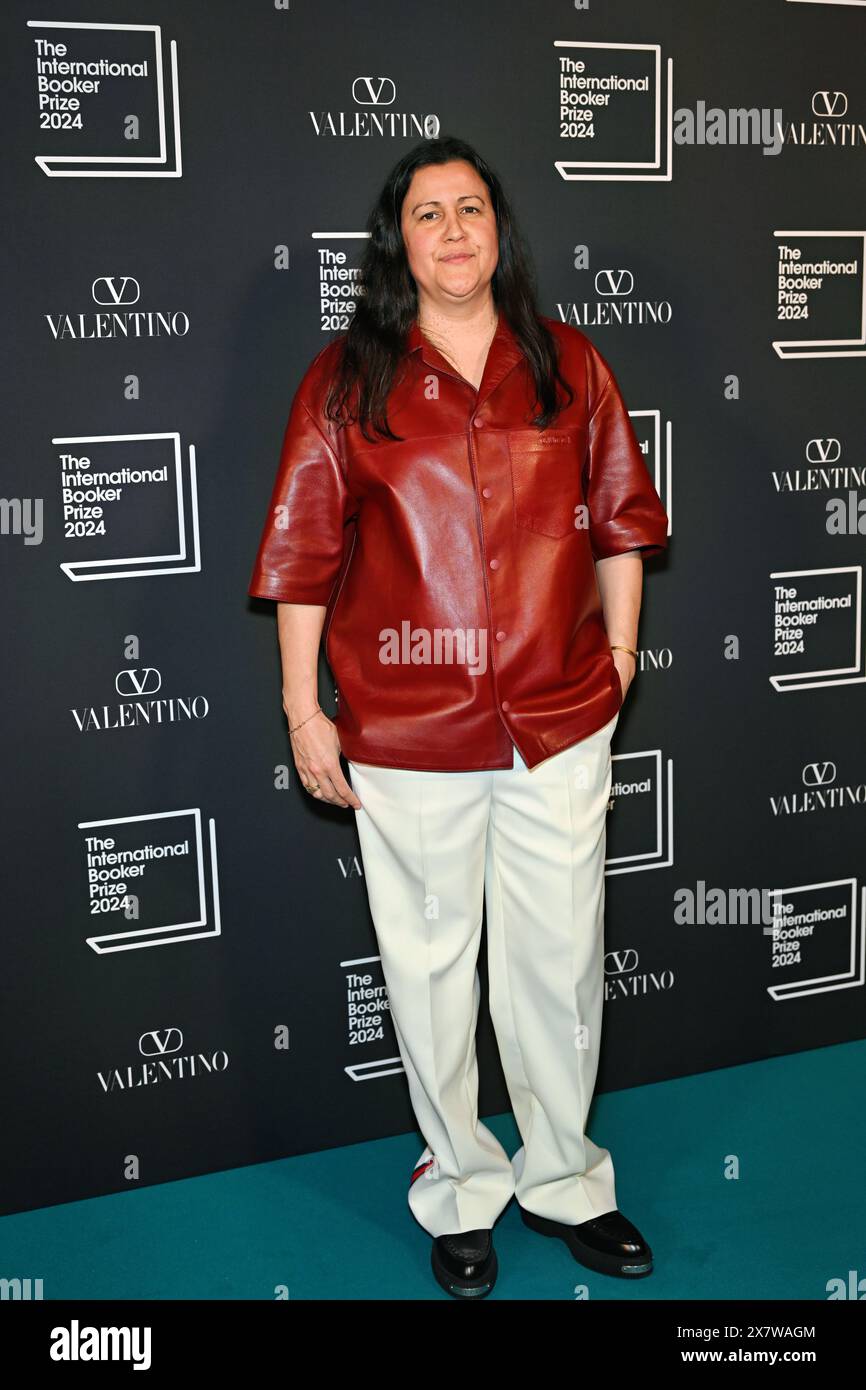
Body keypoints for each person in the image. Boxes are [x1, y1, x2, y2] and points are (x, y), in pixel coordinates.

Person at [248, 135, 669, 1299]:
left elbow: (622, 520)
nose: (451, 230)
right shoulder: (345, 381)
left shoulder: (568, 363)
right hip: (407, 731)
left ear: (498, 230)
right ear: (400, 243)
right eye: (426, 213)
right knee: (430, 970)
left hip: (556, 719)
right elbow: (300, 559)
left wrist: (620, 656)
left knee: (556, 964)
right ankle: (459, 1189)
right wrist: (303, 710)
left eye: (469, 208)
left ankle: (568, 1181)